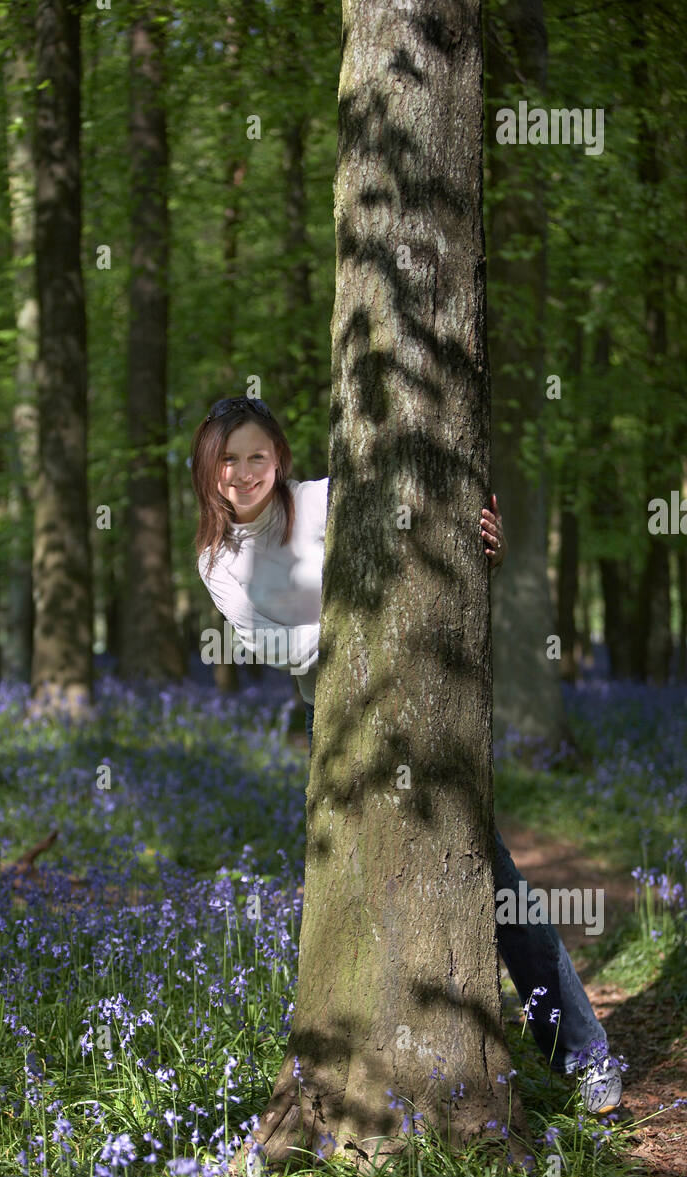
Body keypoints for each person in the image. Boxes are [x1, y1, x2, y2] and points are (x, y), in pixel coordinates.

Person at [191, 395, 623, 1113]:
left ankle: (583, 1053)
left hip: (418, 706)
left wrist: (485, 542)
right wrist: (367, 619)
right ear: (209, 471)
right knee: (359, 891)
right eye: (228, 459)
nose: (243, 472)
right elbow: (274, 648)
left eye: (256, 455)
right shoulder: (218, 559)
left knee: (490, 877)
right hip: (333, 730)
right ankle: (390, 1067)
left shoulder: (327, 499)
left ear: (280, 457)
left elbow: (433, 529)